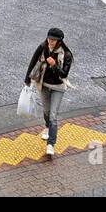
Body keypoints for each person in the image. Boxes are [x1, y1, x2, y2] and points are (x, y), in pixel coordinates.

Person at [25, 26, 73, 157]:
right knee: (46, 111)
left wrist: (54, 65)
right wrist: (27, 79)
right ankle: (47, 126)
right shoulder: (43, 47)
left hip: (58, 87)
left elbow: (63, 74)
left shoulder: (66, 54)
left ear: (59, 41)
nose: (50, 42)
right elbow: (33, 61)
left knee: (53, 115)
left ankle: (51, 144)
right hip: (44, 84)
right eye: (49, 39)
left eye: (53, 40)